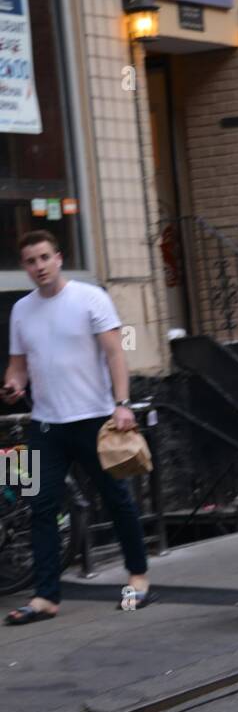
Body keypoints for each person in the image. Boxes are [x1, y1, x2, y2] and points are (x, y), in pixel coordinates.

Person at [3, 231, 151, 625]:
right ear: (25, 267)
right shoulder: (21, 310)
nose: (39, 266)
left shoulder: (90, 298)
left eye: (45, 258)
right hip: (44, 426)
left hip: (95, 420)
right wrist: (13, 384)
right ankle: (45, 597)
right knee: (38, 505)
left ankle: (137, 580)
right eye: (31, 261)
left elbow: (116, 353)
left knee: (117, 499)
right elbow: (18, 366)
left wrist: (122, 405)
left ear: (59, 258)